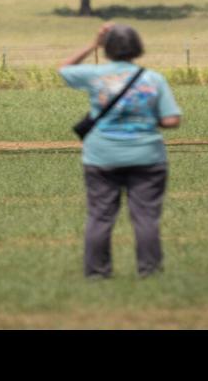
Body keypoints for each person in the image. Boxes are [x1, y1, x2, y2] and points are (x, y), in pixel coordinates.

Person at [58, 23, 181, 279]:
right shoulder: (153, 78)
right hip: (147, 156)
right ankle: (149, 272)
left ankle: (97, 273)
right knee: (146, 218)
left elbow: (64, 69)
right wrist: (146, 119)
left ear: (108, 49)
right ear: (137, 48)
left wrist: (94, 43)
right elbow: (172, 120)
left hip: (102, 156)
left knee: (100, 217)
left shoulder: (96, 76)